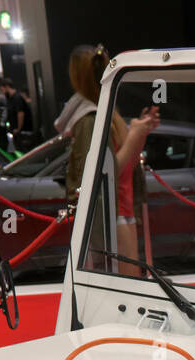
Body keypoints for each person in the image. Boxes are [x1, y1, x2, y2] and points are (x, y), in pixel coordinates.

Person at [63, 44, 158, 274]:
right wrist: (136, 134)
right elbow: (108, 170)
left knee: (124, 288)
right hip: (113, 215)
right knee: (125, 288)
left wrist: (139, 133)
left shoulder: (99, 115)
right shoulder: (99, 116)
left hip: (115, 213)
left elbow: (112, 169)